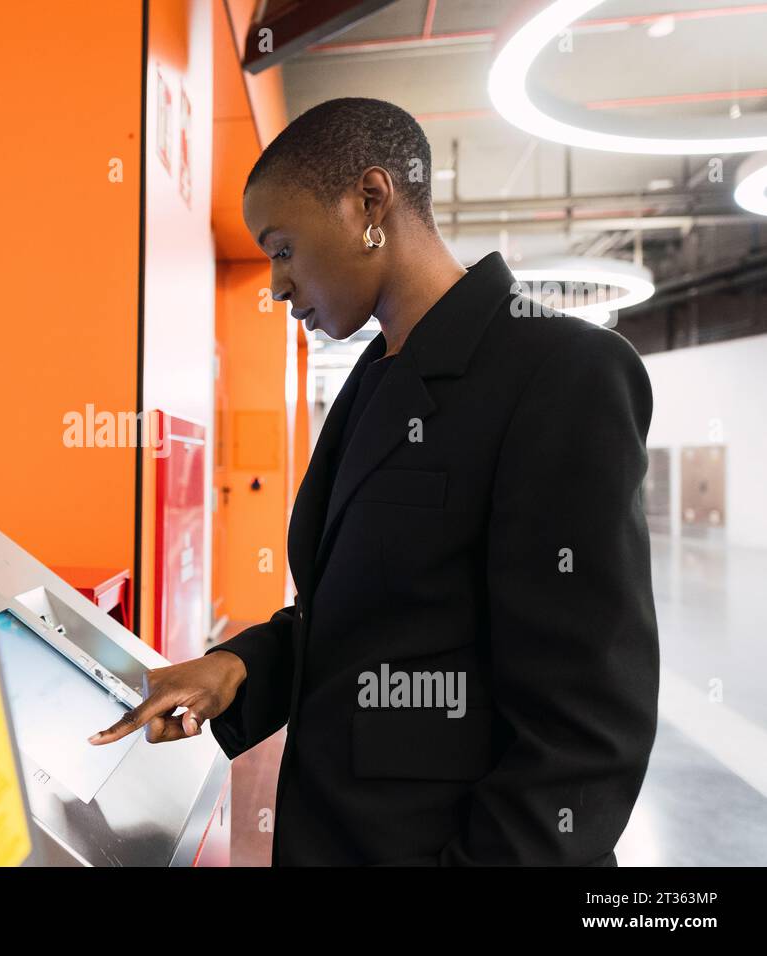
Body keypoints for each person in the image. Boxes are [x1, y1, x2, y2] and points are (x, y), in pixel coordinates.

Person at [89, 97, 659, 866]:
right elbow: (371, 617)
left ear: (369, 202)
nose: (276, 284)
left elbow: (587, 726)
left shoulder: (561, 371)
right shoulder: (375, 376)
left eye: (283, 248)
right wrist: (242, 665)